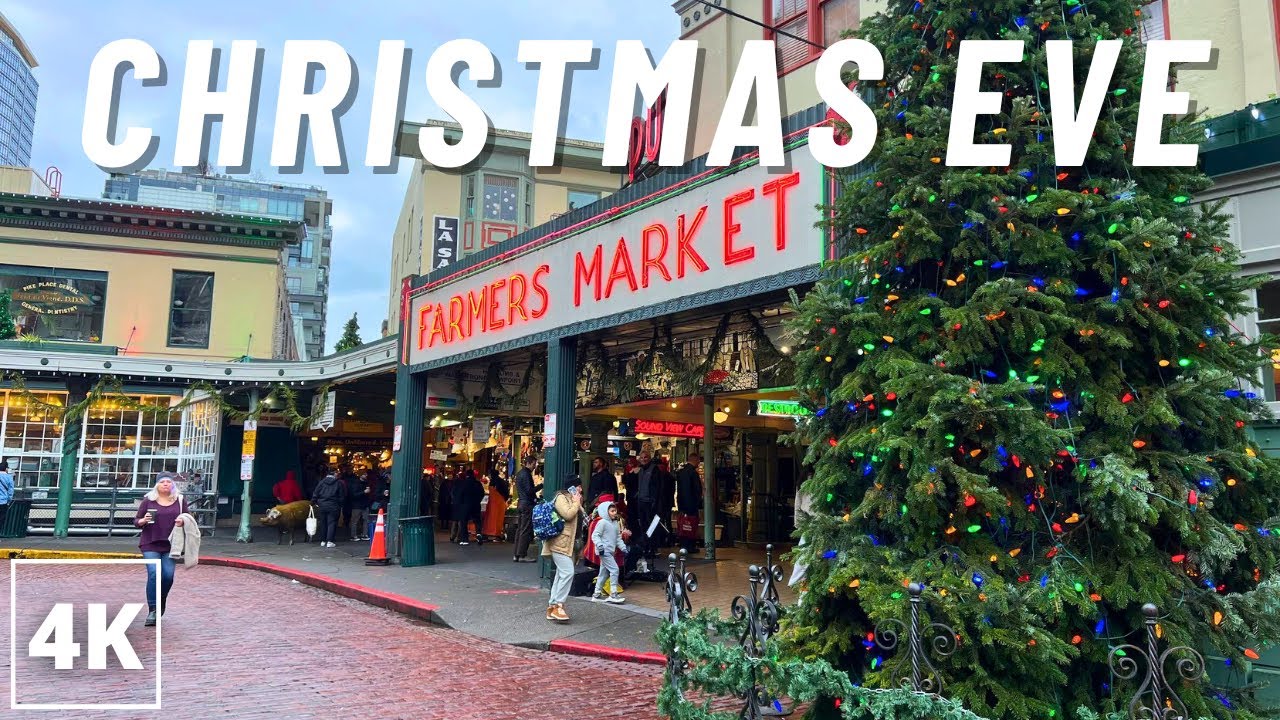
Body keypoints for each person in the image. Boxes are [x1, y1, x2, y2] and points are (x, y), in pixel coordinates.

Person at [133, 472, 187, 627]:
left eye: (168, 482)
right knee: (154, 573)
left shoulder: (180, 500)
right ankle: (153, 609)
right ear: (157, 484)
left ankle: (161, 598)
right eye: (162, 482)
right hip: (150, 542)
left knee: (168, 576)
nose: (165, 484)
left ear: (173, 484)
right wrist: (143, 521)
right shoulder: (148, 500)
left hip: (171, 544)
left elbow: (188, 517)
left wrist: (182, 521)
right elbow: (136, 520)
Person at [544, 477, 583, 622]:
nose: (580, 490)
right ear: (571, 487)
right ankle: (559, 605)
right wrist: (576, 501)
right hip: (559, 542)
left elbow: (580, 518)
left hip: (569, 544)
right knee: (568, 572)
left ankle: (552, 607)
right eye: (578, 487)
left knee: (561, 574)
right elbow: (568, 514)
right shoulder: (561, 498)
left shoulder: (574, 499)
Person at [632, 449, 673, 570]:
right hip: (642, 502)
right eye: (642, 457)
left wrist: (656, 503)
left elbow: (658, 488)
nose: (644, 459)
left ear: (649, 458)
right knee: (644, 526)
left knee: (651, 527)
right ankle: (646, 546)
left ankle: (651, 548)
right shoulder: (640, 470)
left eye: (646, 457)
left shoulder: (654, 470)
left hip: (651, 503)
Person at [590, 500, 628, 604]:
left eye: (615, 510)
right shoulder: (602, 522)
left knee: (604, 573)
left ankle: (596, 594)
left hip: (610, 551)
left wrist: (623, 548)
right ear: (606, 512)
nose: (614, 513)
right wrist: (600, 545)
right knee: (615, 569)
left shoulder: (615, 523)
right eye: (612, 511)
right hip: (604, 551)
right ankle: (613, 594)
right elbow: (595, 535)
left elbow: (618, 538)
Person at [512, 456, 541, 562]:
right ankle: (522, 554)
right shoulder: (527, 474)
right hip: (527, 504)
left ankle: (516, 554)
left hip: (521, 503)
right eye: (534, 464)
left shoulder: (519, 473)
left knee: (520, 529)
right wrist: (541, 486)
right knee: (526, 530)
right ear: (529, 463)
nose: (534, 466)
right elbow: (529, 490)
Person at [675, 453, 704, 555]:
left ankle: (683, 544)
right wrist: (698, 502)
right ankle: (690, 546)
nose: (699, 463)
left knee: (683, 525)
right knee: (691, 525)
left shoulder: (681, 472)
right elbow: (696, 490)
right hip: (691, 504)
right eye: (699, 460)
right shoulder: (693, 473)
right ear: (695, 460)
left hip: (682, 503)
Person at [311, 472, 346, 547]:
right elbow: (342, 496)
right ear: (334, 475)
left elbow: (315, 493)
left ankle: (323, 541)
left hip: (322, 506)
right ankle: (329, 541)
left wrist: (312, 503)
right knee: (331, 523)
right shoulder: (339, 483)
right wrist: (340, 505)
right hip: (334, 506)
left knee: (323, 523)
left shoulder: (321, 482)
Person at [483, 467, 509, 542]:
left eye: (489, 474)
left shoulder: (495, 482)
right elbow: (506, 493)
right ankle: (496, 534)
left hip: (496, 503)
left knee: (492, 519)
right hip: (497, 503)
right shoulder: (500, 481)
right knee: (496, 519)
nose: (489, 476)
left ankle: (492, 534)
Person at [349, 468, 373, 541]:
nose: (366, 475)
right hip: (357, 505)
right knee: (355, 521)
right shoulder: (355, 483)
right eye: (364, 474)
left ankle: (364, 534)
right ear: (360, 475)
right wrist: (364, 492)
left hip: (364, 504)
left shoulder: (366, 483)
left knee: (366, 520)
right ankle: (353, 535)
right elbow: (353, 495)